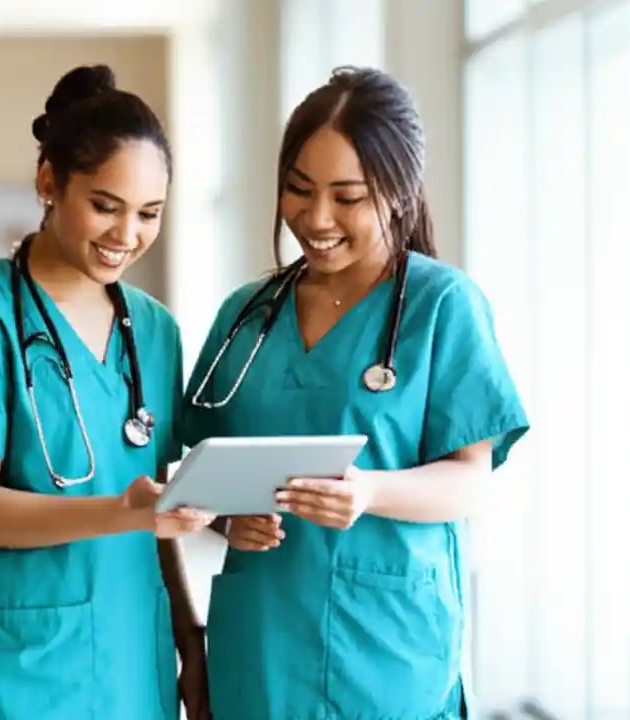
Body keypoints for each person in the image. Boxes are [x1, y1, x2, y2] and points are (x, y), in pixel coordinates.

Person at [181, 66, 529, 719]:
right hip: (259, 648)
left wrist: (369, 492)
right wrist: (230, 518)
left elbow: (471, 480)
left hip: (390, 653)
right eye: (298, 190)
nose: (316, 219)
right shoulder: (245, 316)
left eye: (348, 197)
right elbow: (199, 479)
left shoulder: (440, 306)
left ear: (398, 193)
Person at [0, 65, 212, 720]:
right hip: (10, 675)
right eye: (105, 205)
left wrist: (190, 640)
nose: (126, 235)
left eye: (148, 214)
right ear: (49, 183)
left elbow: (155, 512)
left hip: (134, 667)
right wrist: (121, 512)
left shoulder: (155, 332)